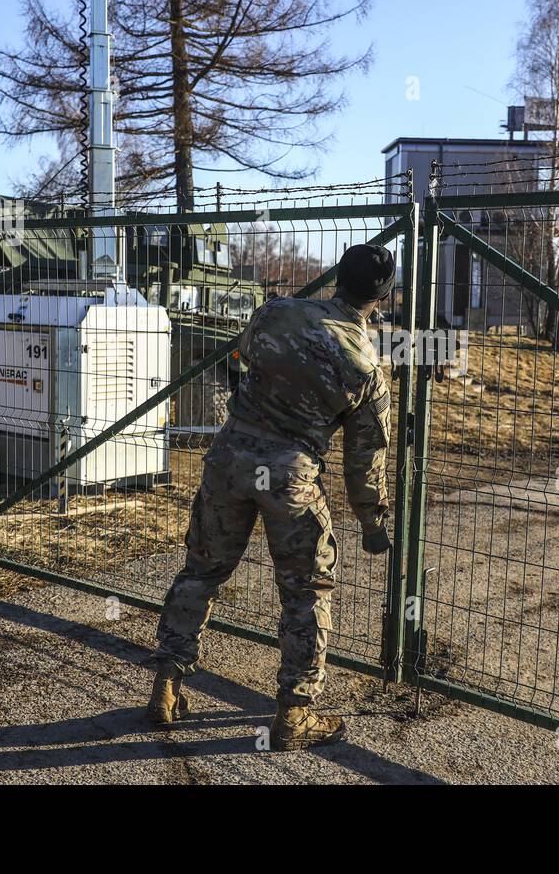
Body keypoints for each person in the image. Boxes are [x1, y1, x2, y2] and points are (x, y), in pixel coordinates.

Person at [148, 243, 396, 751]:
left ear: (336, 277)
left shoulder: (275, 313)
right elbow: (364, 457)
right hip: (290, 476)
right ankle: (294, 716)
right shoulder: (367, 367)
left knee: (202, 569)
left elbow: (246, 356)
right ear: (383, 297)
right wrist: (371, 522)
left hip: (230, 458)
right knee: (306, 593)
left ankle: (167, 686)